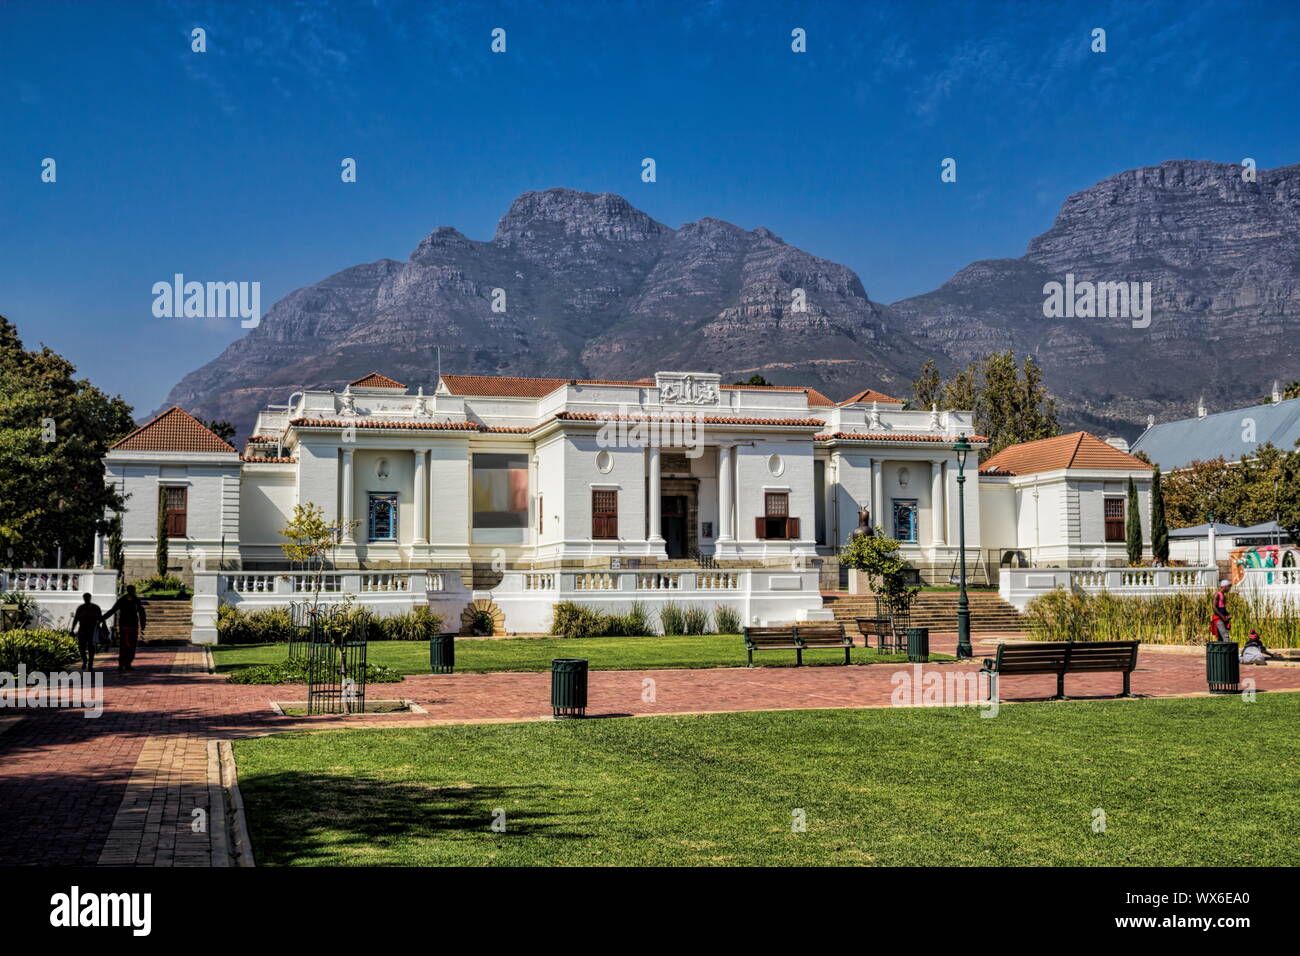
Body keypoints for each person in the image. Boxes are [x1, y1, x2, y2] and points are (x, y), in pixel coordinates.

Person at [103, 585, 147, 672]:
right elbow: (113, 610)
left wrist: (142, 624)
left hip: (133, 625)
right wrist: (103, 618)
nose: (133, 591)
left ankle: (128, 663)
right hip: (124, 625)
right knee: (124, 645)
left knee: (132, 646)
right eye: (132, 590)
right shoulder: (122, 600)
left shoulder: (136, 600)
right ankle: (121, 664)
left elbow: (141, 612)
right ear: (129, 590)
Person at [70, 593, 104, 670]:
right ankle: (85, 660)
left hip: (92, 630)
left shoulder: (95, 607)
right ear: (83, 598)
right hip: (82, 629)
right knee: (81, 646)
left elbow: (101, 618)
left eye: (88, 597)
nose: (86, 599)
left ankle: (90, 663)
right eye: (85, 598)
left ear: (90, 598)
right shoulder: (81, 608)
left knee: (91, 647)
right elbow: (76, 619)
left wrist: (102, 627)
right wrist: (72, 629)